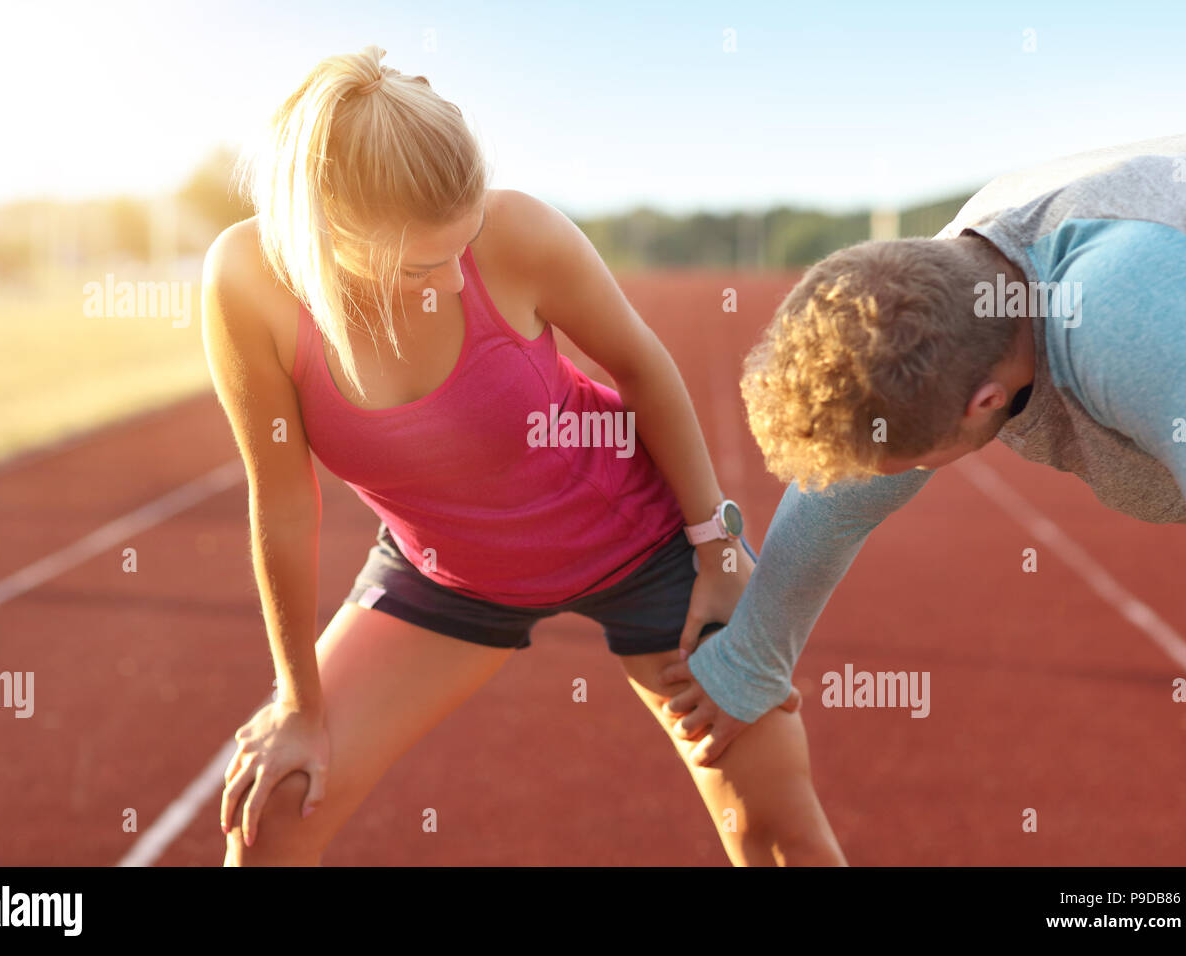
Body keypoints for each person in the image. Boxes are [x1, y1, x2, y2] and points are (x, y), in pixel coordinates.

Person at [201, 44, 845, 865]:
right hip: (446, 574)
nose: (454, 280)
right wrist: (297, 701)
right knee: (274, 815)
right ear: (329, 236)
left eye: (460, 247)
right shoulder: (246, 282)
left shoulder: (519, 231)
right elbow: (284, 501)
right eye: (424, 266)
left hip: (646, 546)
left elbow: (642, 367)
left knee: (774, 832)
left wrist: (716, 549)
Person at [662, 132, 1186, 766]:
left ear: (986, 402)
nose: (875, 479)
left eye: (906, 463)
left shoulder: (1132, 320)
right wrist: (750, 662)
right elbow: (839, 504)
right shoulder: (942, 293)